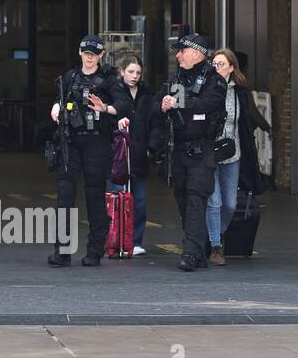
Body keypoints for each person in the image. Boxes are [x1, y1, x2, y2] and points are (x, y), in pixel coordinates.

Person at [148, 32, 229, 273]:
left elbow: (207, 104)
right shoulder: (175, 80)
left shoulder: (214, 80)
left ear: (196, 53)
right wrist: (162, 106)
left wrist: (179, 103)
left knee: (196, 198)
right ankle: (198, 250)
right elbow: (153, 106)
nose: (178, 55)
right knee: (183, 199)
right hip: (178, 149)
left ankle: (190, 253)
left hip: (202, 149)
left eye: (182, 50)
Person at [48, 35, 129, 267]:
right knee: (64, 195)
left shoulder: (109, 79)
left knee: (94, 196)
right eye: (86, 53)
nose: (90, 58)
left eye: (94, 54)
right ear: (80, 53)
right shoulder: (70, 77)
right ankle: (62, 251)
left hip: (97, 142)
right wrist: (56, 108)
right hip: (70, 141)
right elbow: (58, 98)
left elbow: (124, 105)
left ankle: (95, 250)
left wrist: (106, 108)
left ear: (101, 55)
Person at [207, 49, 272, 265]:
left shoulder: (240, 93)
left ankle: (217, 232)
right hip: (208, 154)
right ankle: (216, 245)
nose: (216, 68)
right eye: (214, 64)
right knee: (214, 202)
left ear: (232, 68)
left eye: (221, 64)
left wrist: (265, 127)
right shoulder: (206, 89)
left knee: (230, 204)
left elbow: (249, 117)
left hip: (233, 154)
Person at [111, 55, 153, 255]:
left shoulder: (147, 94)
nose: (134, 76)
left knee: (140, 201)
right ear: (122, 72)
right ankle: (116, 240)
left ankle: (135, 241)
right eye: (130, 72)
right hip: (119, 154)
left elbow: (154, 123)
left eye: (138, 72)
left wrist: (151, 147)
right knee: (118, 199)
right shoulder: (114, 92)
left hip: (140, 154)